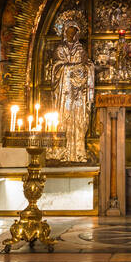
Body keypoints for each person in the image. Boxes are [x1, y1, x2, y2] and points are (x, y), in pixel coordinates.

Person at [47, 11, 95, 163]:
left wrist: (87, 68)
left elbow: (88, 66)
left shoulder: (81, 49)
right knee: (63, 118)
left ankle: (78, 151)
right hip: (64, 94)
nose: (71, 35)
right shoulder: (59, 49)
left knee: (79, 119)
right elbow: (55, 68)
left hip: (78, 94)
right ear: (64, 32)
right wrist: (71, 69)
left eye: (74, 32)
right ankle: (61, 151)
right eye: (69, 32)